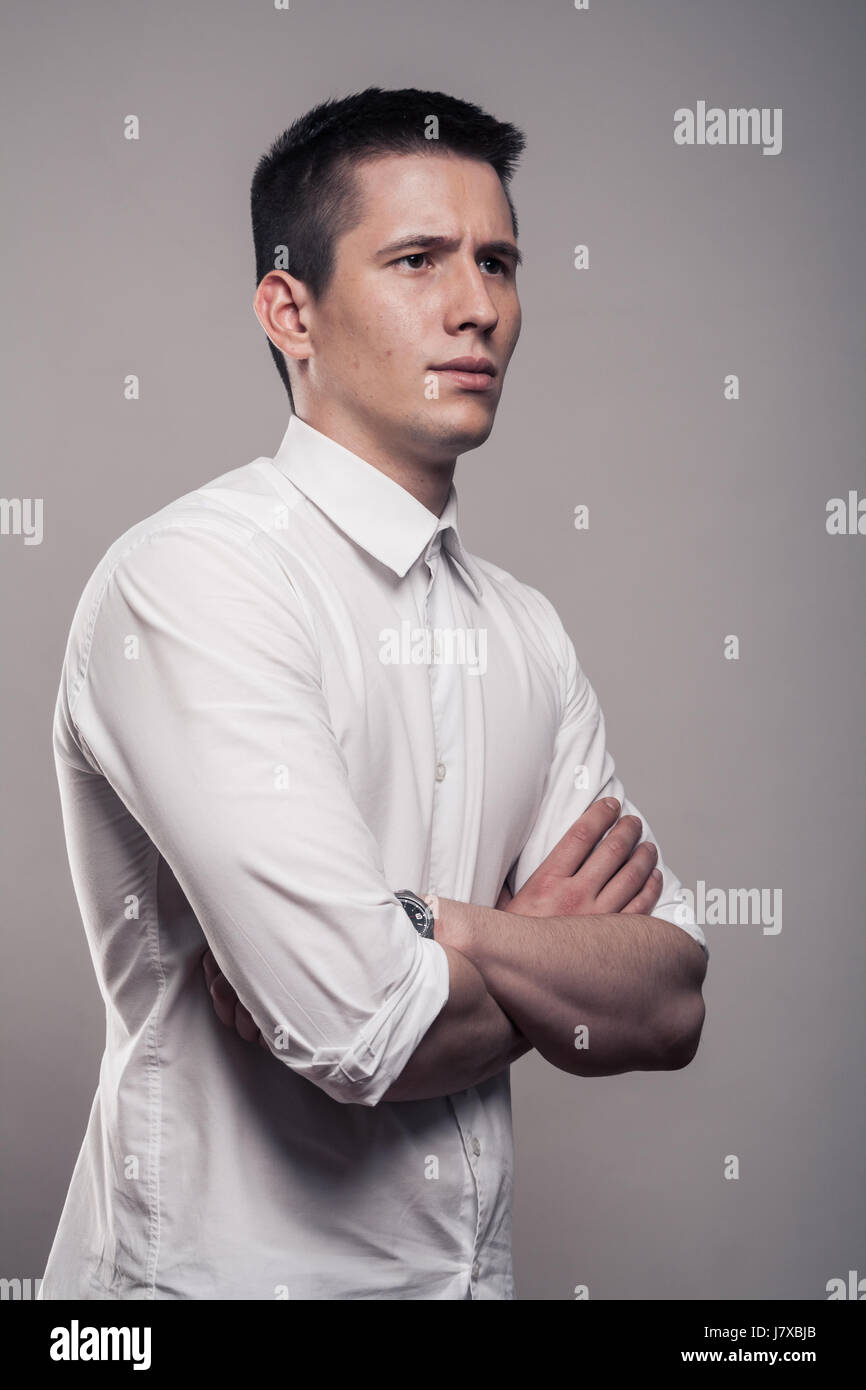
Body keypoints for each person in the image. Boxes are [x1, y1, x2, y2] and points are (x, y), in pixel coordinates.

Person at [40, 86, 708, 1301]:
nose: (477, 306)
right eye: (417, 260)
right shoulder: (193, 580)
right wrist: (545, 944)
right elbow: (362, 1035)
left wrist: (438, 925)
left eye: (496, 261)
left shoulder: (525, 630)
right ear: (288, 308)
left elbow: (666, 1004)